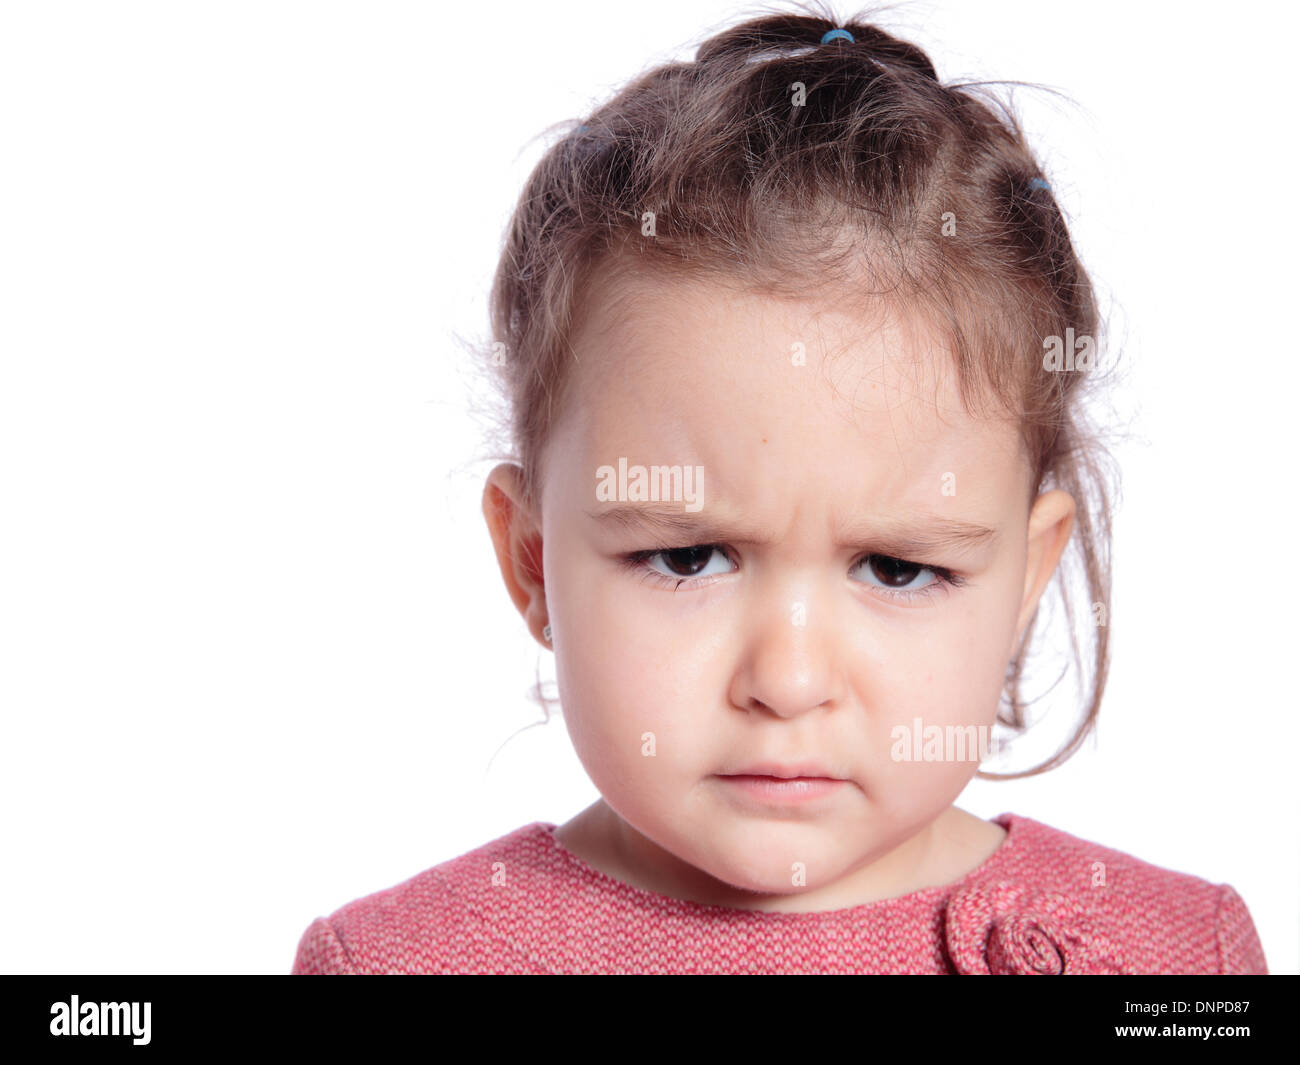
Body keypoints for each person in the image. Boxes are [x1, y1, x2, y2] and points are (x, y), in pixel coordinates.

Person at [291, 4, 1267, 974]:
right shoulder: (399, 963)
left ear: (1025, 577)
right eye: (687, 557)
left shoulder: (1177, 958)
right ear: (531, 561)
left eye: (896, 569)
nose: (790, 681)